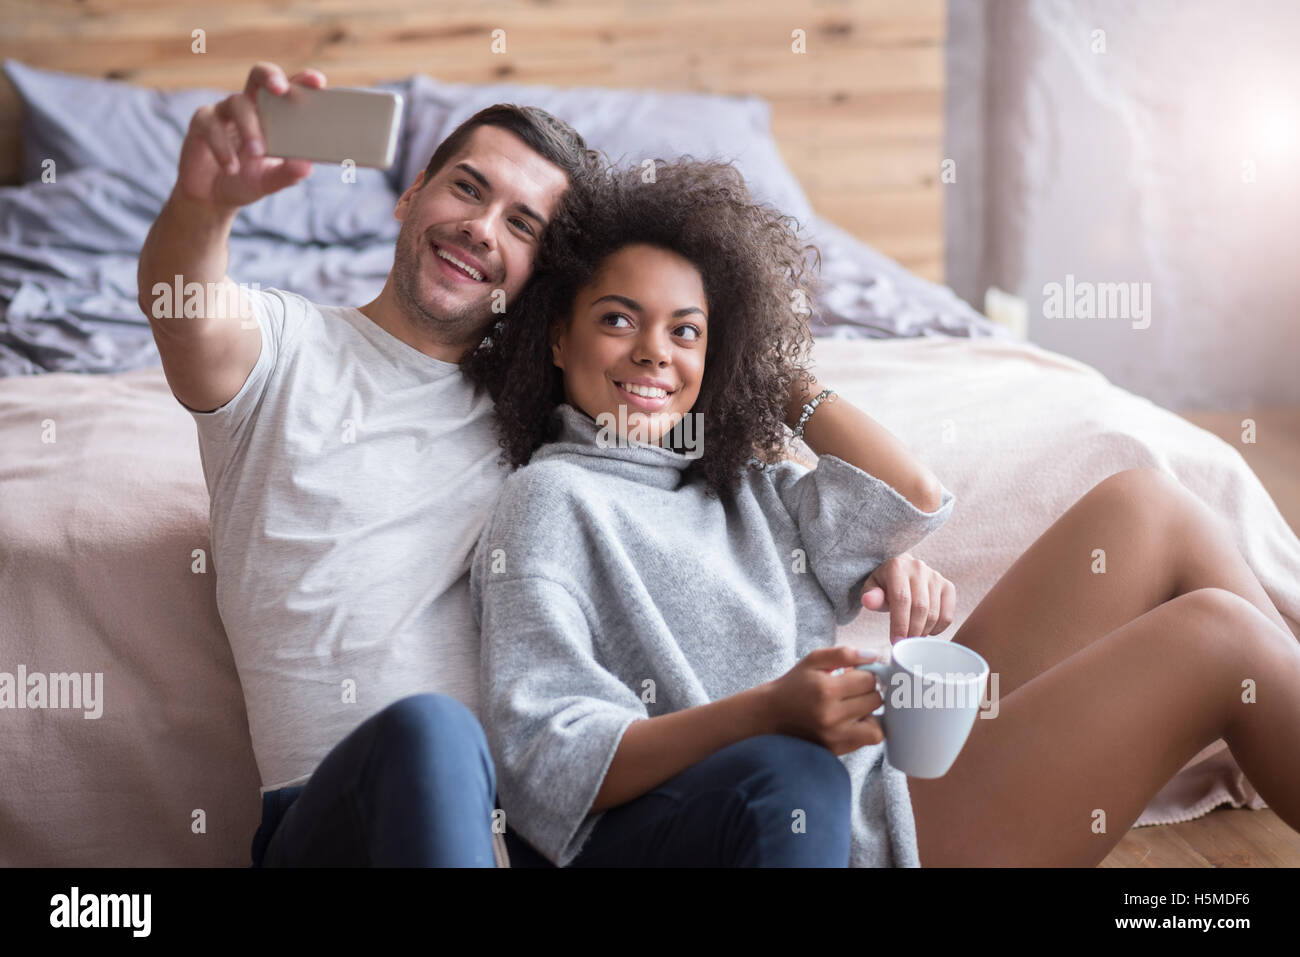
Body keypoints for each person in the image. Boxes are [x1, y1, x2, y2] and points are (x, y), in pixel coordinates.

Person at [464, 157, 1300, 867]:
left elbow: (914, 496)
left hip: (898, 764)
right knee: (1220, 638)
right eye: (619, 320)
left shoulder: (729, 480)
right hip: (866, 833)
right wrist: (769, 712)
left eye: (687, 331)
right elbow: (547, 758)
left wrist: (769, 377)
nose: (654, 350)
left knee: (1145, 506)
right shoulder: (551, 499)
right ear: (557, 338)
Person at [137, 60, 593, 866]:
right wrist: (203, 207)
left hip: (525, 828)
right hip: (335, 821)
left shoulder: (548, 412)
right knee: (433, 730)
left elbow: (712, 423)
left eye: (523, 226)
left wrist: (880, 530)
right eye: (467, 188)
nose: (483, 228)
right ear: (410, 193)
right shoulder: (285, 344)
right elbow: (186, 312)